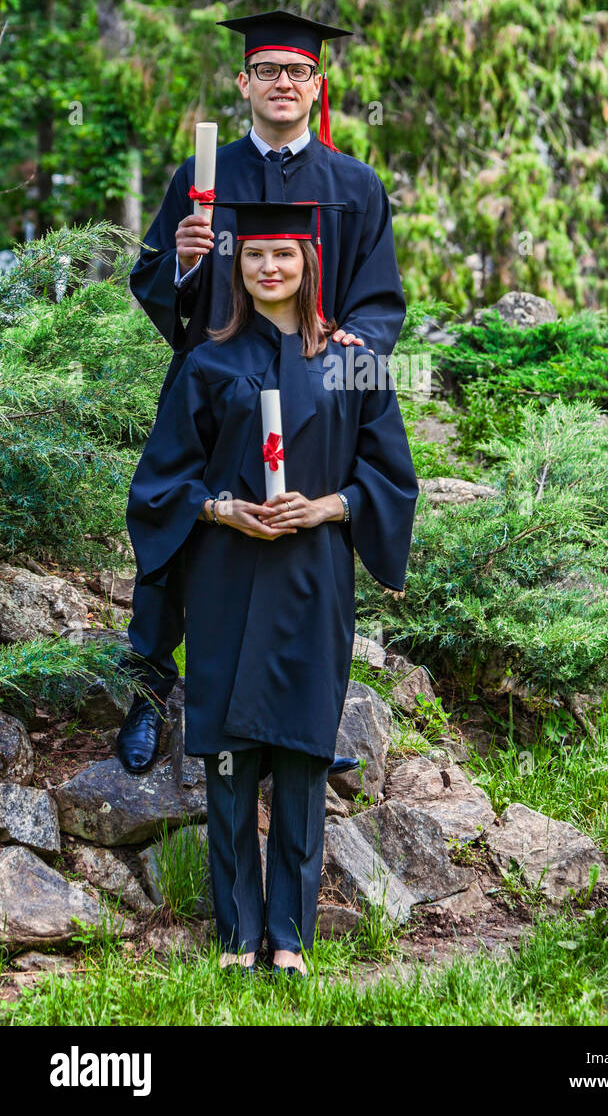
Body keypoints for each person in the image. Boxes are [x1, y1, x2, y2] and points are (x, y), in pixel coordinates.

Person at [125, 199, 418, 976]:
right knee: (227, 755)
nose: (268, 269)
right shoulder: (207, 364)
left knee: (299, 754)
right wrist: (222, 509)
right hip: (227, 578)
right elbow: (159, 484)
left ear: (309, 263)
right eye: (253, 257)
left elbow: (390, 477)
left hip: (312, 578)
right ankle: (234, 935)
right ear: (237, 267)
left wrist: (328, 504)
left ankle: (288, 937)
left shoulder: (352, 360)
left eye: (283, 255)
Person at [119, 9, 407, 776]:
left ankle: (303, 720)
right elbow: (153, 283)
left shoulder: (355, 186)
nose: (284, 83)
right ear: (244, 83)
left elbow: (379, 301)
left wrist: (356, 358)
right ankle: (149, 693)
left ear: (319, 87)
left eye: (299, 72)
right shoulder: (200, 179)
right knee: (183, 527)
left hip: (315, 396)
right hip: (212, 387)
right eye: (269, 71)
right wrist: (181, 263)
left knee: (300, 551)